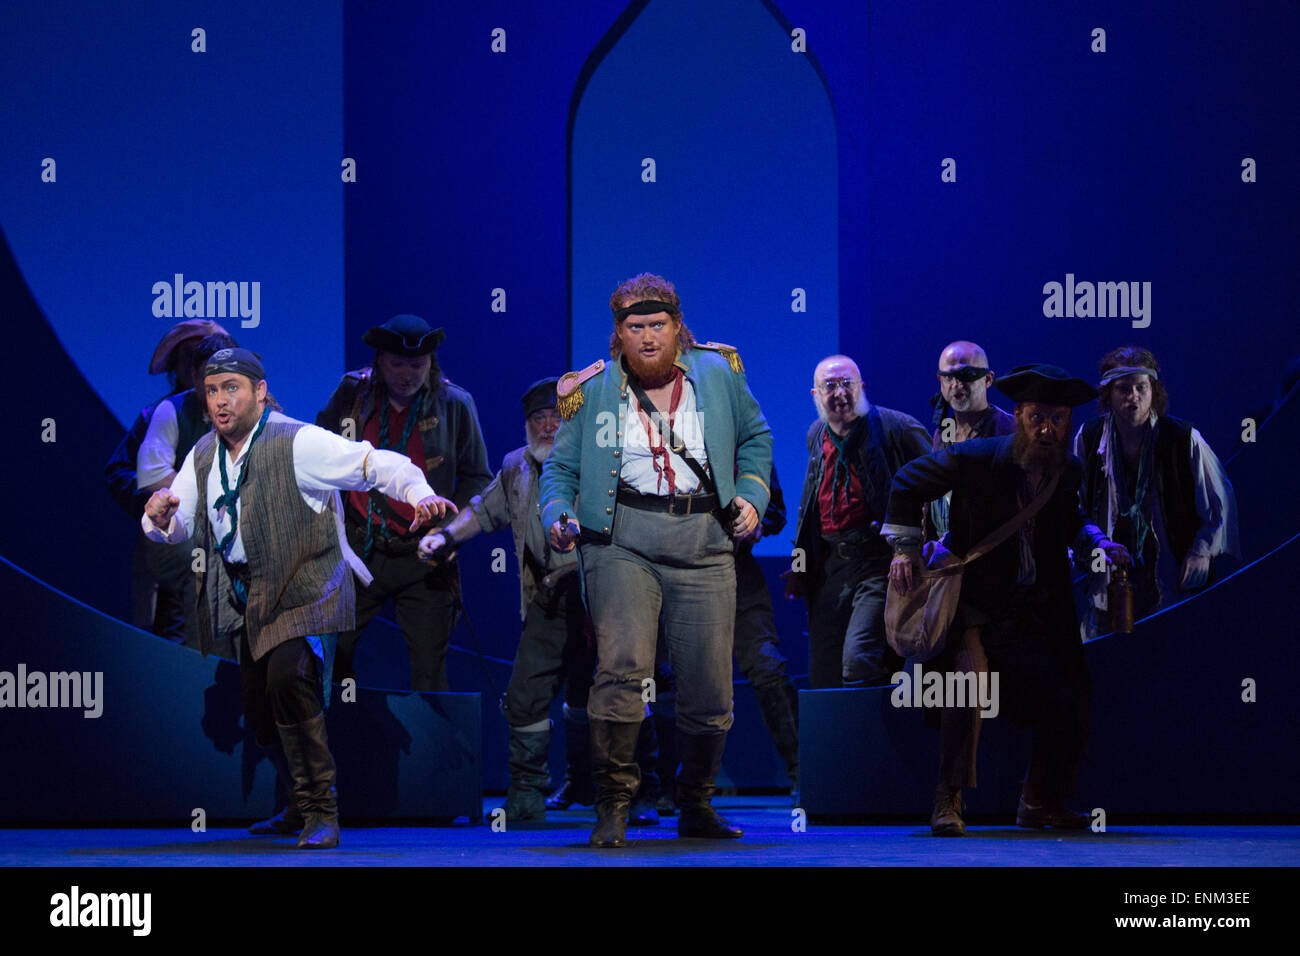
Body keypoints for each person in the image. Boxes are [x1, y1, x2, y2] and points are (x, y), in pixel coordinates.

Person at [143, 347, 453, 848]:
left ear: (260, 392)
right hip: (250, 594)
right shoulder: (203, 454)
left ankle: (321, 811)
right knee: (262, 707)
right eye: (212, 391)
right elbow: (176, 522)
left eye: (232, 389)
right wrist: (157, 519)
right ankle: (293, 803)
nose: (220, 402)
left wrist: (418, 495)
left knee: (290, 676)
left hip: (307, 585)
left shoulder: (298, 442)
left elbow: (374, 464)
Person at [540, 272, 772, 848]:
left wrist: (752, 494)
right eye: (634, 327)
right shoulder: (591, 390)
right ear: (618, 334)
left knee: (711, 686)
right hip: (622, 540)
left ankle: (695, 803)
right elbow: (561, 470)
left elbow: (756, 439)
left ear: (678, 328)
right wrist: (556, 515)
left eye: (657, 326)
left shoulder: (718, 374)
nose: (647, 338)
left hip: (703, 540)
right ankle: (615, 805)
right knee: (621, 668)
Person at [882, 364, 1129, 836]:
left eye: (1058, 419)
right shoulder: (977, 458)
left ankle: (1039, 801)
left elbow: (1073, 519)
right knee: (965, 686)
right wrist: (906, 547)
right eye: (1037, 417)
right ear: (1018, 416)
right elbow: (908, 480)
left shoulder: (1068, 469)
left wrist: (1097, 541)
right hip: (975, 609)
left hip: (1035, 612)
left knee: (1071, 691)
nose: (1047, 429)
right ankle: (947, 799)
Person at [418, 378, 598, 822]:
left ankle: (627, 790)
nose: (547, 427)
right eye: (539, 419)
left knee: (608, 692)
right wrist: (444, 537)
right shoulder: (516, 467)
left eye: (556, 418)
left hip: (601, 595)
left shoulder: (597, 462)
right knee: (525, 695)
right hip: (550, 595)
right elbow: (483, 510)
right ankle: (527, 795)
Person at [316, 315, 492, 692]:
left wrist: (448, 534)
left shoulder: (454, 404)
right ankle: (341, 734)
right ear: (379, 360)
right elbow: (320, 454)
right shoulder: (352, 394)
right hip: (359, 550)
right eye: (397, 363)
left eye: (417, 365)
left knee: (430, 668)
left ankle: (431, 749)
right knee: (334, 655)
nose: (406, 374)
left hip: (423, 556)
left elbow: (478, 477)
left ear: (431, 363)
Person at [786, 355, 930, 688]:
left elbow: (934, 488)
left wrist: (912, 548)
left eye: (847, 383)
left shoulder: (896, 427)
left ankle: (869, 738)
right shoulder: (816, 435)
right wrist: (800, 565)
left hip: (879, 560)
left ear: (861, 386)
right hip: (832, 565)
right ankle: (833, 741)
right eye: (830, 385)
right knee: (823, 671)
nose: (840, 393)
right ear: (815, 394)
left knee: (859, 660)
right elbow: (810, 502)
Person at [1074, 347, 1239, 638]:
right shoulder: (1089, 438)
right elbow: (1074, 506)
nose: (1133, 396)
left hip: (1167, 569)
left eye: (1141, 387)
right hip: (1111, 572)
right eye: (1123, 389)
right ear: (1109, 394)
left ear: (1153, 391)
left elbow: (1220, 503)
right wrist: (1094, 543)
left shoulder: (1183, 438)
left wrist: (1202, 551)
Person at [106, 319, 231, 636]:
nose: (197, 362)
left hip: (222, 544)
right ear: (178, 365)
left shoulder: (237, 414)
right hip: (166, 539)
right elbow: (118, 472)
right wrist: (160, 504)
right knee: (164, 629)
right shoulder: (158, 414)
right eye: (189, 355)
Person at [135, 332, 240, 648]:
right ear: (194, 376)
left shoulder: (250, 412)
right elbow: (151, 478)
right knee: (206, 564)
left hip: (231, 527)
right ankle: (203, 665)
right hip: (175, 529)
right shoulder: (171, 411)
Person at [732, 465, 801, 797]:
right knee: (674, 678)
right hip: (680, 577)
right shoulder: (663, 433)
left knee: (768, 667)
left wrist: (756, 523)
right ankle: (663, 787)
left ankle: (804, 772)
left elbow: (776, 512)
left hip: (738, 574)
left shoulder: (747, 438)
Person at [926, 340, 1015, 540]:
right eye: (948, 377)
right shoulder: (943, 433)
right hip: (947, 560)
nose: (956, 384)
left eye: (966, 375)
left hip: (997, 557)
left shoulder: (1011, 431)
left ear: (988, 379)